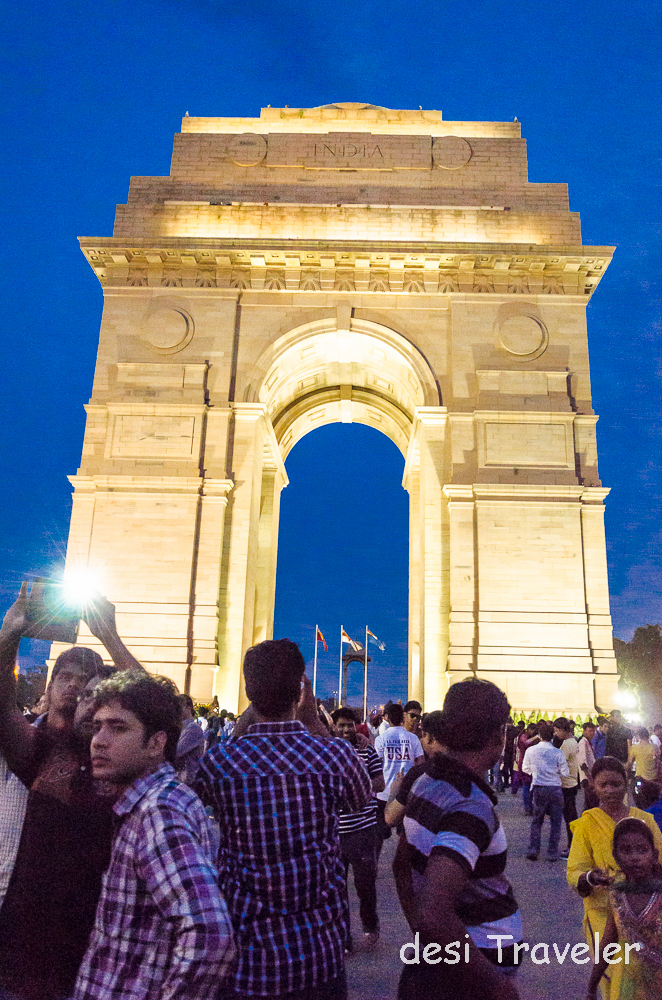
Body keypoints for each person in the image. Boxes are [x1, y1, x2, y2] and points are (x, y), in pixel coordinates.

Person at [194, 639, 372, 1000]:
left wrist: (251, 710)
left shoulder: (219, 765)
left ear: (248, 690)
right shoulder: (334, 756)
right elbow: (362, 799)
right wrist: (311, 718)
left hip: (247, 961)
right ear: (301, 688)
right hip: (319, 956)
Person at [0, 583, 143, 1000]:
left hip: (93, 951)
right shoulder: (39, 752)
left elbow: (159, 714)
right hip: (23, 952)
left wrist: (111, 638)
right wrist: (10, 633)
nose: (77, 691)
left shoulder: (117, 762)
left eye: (88, 687)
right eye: (67, 679)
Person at [73, 671, 234, 1000]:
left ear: (156, 743)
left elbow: (209, 933)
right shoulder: (158, 800)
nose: (99, 740)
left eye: (118, 728)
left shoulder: (157, 812)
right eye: (97, 726)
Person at [394, 679, 521, 1000]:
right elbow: (435, 912)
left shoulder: (425, 779)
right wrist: (497, 988)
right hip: (472, 976)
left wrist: (425, 940)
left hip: (446, 964)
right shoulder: (469, 805)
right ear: (499, 736)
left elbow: (400, 867)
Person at [567, 756, 662, 1000]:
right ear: (593, 787)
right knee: (617, 972)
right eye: (603, 785)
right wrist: (591, 877)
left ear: (626, 784)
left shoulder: (646, 820)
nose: (610, 790)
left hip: (651, 910)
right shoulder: (587, 824)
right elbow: (575, 870)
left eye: (616, 784)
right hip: (603, 911)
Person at [586, 818, 662, 999]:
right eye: (626, 850)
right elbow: (609, 942)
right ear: (615, 856)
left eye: (642, 850)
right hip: (627, 988)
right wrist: (592, 986)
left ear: (654, 854)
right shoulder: (616, 895)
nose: (635, 857)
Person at [332, 707, 384, 949]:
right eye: (340, 725)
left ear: (356, 726)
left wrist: (357, 787)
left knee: (365, 883)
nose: (345, 730)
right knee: (336, 888)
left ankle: (370, 925)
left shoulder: (368, 751)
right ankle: (343, 938)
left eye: (349, 725)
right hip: (335, 832)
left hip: (363, 829)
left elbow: (380, 781)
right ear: (333, 727)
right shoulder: (327, 753)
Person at [374, 703, 423, 854]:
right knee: (405, 836)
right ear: (402, 717)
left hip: (384, 794)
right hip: (406, 793)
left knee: (379, 837)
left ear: (387, 717)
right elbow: (420, 763)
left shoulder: (381, 739)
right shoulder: (413, 738)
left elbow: (376, 765)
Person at [522, 721, 569, 862]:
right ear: (552, 735)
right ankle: (552, 852)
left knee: (537, 821)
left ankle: (534, 849)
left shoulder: (531, 751)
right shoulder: (558, 752)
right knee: (556, 822)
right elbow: (565, 773)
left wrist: (536, 772)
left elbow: (525, 768)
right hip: (555, 788)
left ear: (540, 735)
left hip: (538, 787)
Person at [553, 716, 581, 856]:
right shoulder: (572, 741)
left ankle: (572, 847)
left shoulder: (567, 744)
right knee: (571, 816)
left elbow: (559, 763)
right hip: (572, 782)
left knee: (570, 817)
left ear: (562, 730)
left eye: (557, 731)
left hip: (567, 784)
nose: (555, 734)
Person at [175, 693, 206, 785]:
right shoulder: (182, 727)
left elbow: (176, 751)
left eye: (179, 708)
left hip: (187, 779)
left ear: (189, 708)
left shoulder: (192, 728)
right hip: (181, 778)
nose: (176, 711)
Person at [512, 723, 539, 814]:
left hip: (528, 762)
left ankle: (529, 806)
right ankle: (528, 807)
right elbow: (527, 743)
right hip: (525, 762)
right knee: (526, 785)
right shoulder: (523, 737)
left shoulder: (524, 736)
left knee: (528, 785)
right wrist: (536, 737)